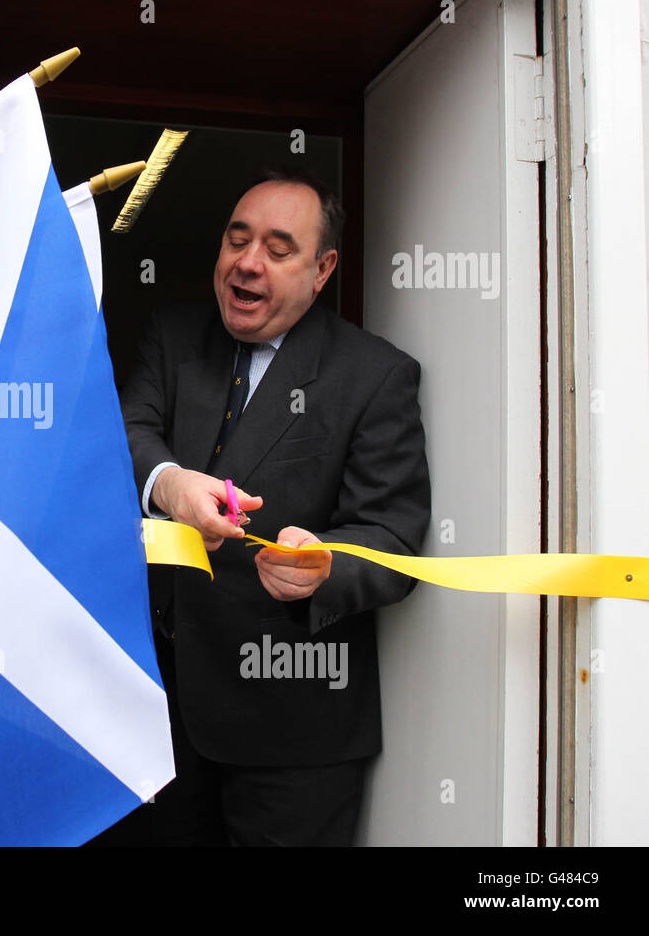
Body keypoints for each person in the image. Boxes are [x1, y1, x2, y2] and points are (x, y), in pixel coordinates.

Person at [117, 166, 431, 846]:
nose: (248, 263)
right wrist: (169, 482)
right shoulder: (171, 336)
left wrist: (324, 567)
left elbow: (395, 541)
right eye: (237, 240)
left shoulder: (376, 378)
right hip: (159, 715)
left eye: (278, 249)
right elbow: (128, 433)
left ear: (322, 270)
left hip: (297, 736)